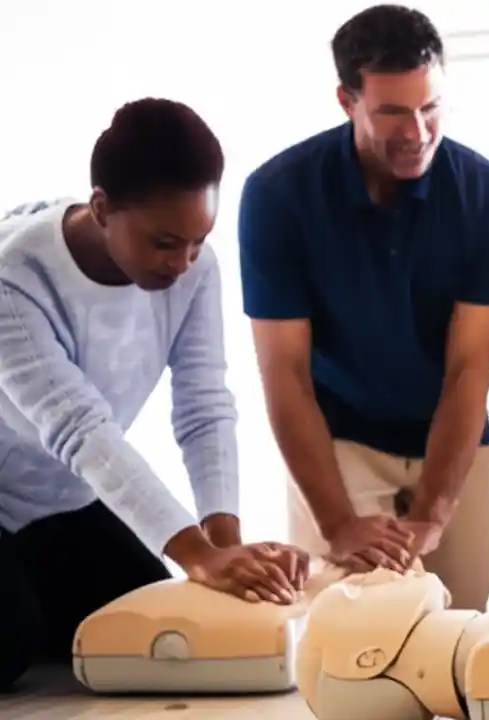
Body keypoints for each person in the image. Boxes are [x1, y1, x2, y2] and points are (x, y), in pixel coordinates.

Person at [0, 99, 308, 691]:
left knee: (145, 629)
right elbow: (80, 429)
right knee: (10, 640)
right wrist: (195, 555)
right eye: (165, 243)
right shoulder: (16, 277)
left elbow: (203, 405)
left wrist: (224, 544)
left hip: (58, 502)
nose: (183, 262)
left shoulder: (195, 266)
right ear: (100, 208)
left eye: (197, 241)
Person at [238, 4, 489, 612]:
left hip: (451, 435)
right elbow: (283, 372)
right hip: (340, 438)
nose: (417, 132)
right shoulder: (275, 195)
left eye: (430, 107)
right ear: (347, 102)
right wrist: (339, 524)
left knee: (461, 620)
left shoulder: (485, 193)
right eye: (393, 112)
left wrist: (434, 516)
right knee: (354, 622)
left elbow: (471, 369)